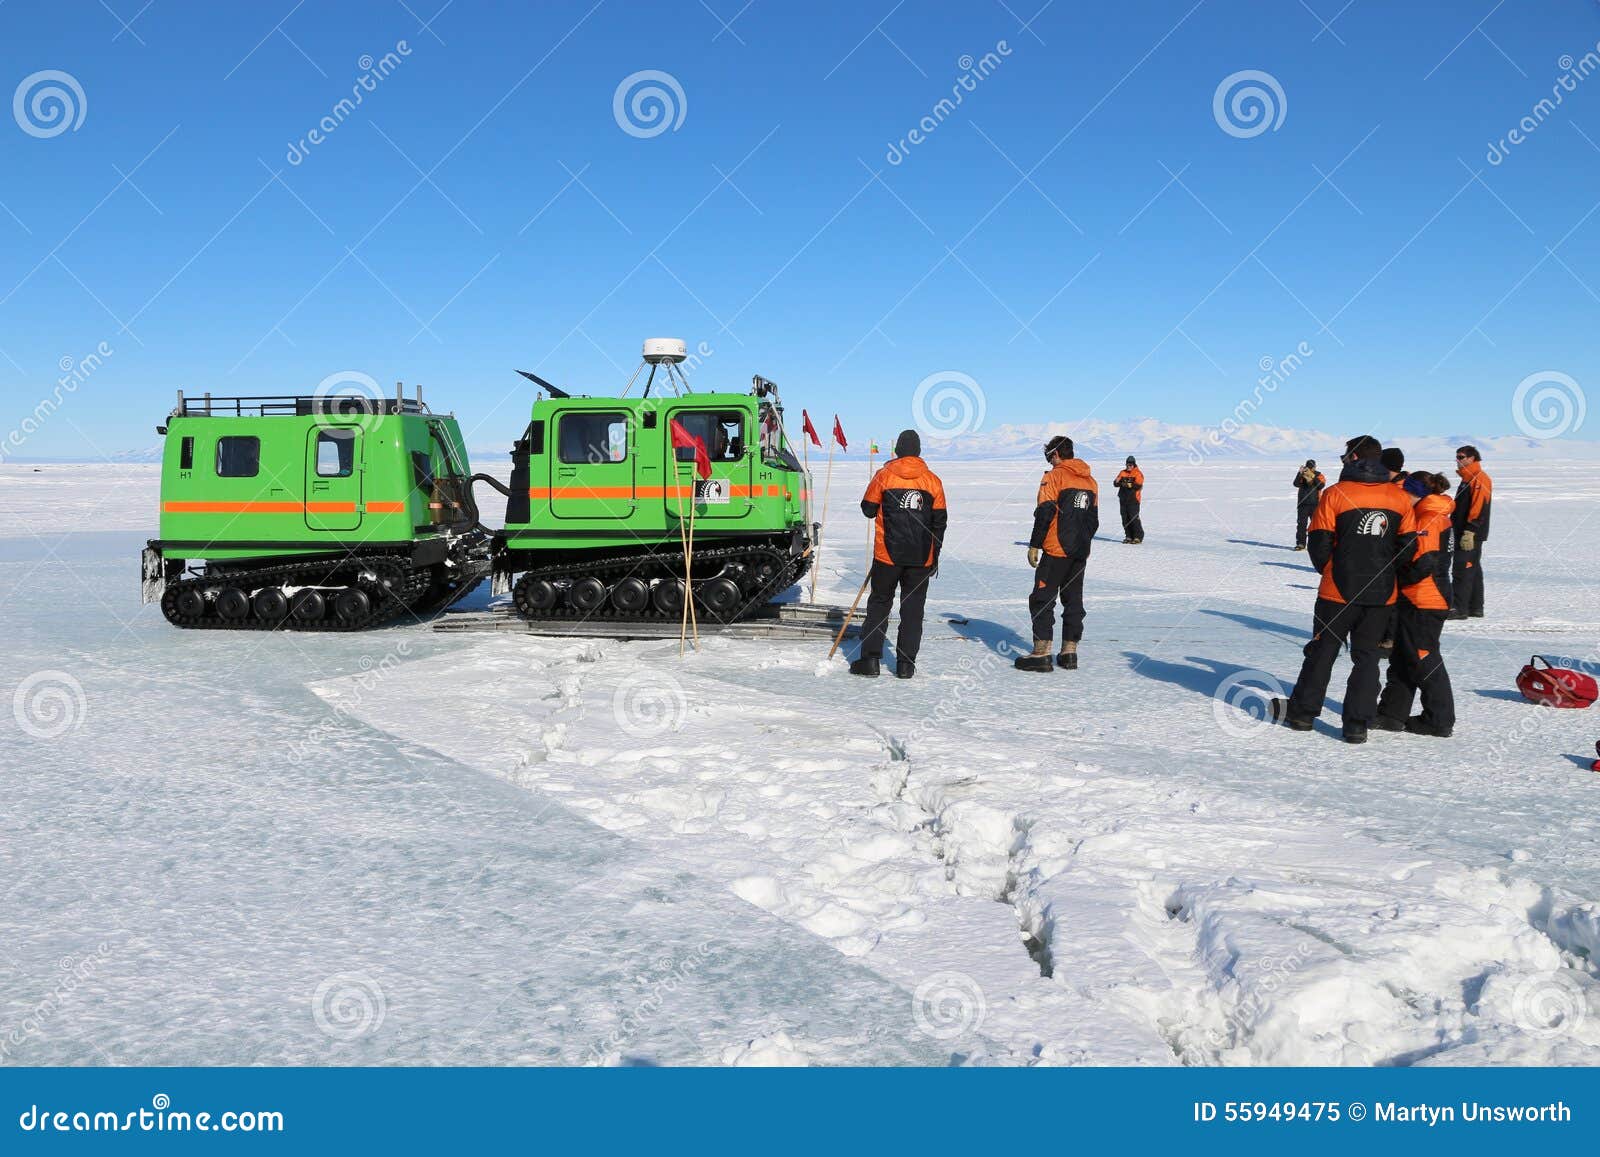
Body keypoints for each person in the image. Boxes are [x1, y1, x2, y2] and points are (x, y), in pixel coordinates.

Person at [1270, 435, 1417, 743]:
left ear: (1353, 459)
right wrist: (1385, 574)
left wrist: (1333, 571)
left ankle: (1302, 714)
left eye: (1343, 457)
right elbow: (1407, 547)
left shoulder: (1335, 494)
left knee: (1323, 652)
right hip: (1380, 595)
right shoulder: (1399, 498)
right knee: (1367, 658)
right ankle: (1356, 725)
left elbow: (1319, 543)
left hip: (1337, 593)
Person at [851, 429, 947, 679]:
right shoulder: (933, 481)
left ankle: (870, 660)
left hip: (887, 556)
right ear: (918, 452)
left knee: (880, 605)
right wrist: (934, 555)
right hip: (921, 558)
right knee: (913, 610)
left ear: (898, 451)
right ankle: (906, 666)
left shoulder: (884, 476)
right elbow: (940, 522)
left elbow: (868, 509)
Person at [1375, 472, 1456, 737]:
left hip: (1425, 598)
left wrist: (1396, 579)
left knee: (1423, 656)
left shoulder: (1427, 518)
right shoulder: (1433, 514)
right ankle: (1392, 714)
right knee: (1403, 656)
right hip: (1420, 597)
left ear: (1414, 493)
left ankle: (1439, 719)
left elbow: (1424, 562)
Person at [1016, 435, 1098, 672]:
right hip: (1080, 552)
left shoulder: (1054, 477)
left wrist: (1035, 544)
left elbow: (1045, 512)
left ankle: (1041, 654)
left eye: (1049, 455)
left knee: (1042, 599)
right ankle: (1069, 652)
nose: (1049, 460)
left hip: (1055, 549)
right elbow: (1093, 520)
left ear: (1056, 454)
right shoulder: (1091, 481)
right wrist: (1081, 542)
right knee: (1073, 600)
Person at [1449, 445, 1492, 620]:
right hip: (1462, 530)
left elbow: (1479, 507)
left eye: (1462, 456)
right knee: (1472, 568)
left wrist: (1470, 531)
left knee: (1462, 568)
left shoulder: (1480, 479)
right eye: (1457, 457)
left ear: (1473, 458)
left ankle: (1459, 609)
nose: (1458, 460)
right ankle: (1475, 607)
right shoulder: (1467, 479)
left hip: (1470, 533)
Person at [1292, 459, 1325, 550]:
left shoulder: (1319, 475)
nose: (1310, 469)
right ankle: (1301, 544)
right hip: (1303, 504)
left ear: (1315, 467)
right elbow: (1296, 484)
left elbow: (1321, 486)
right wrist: (1300, 473)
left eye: (1312, 467)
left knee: (1316, 525)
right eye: (1309, 467)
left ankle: (1317, 545)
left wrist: (1313, 476)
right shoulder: (1302, 475)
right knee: (1301, 525)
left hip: (1315, 504)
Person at [1113, 455, 1145, 543]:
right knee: (1125, 518)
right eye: (1127, 464)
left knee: (1133, 518)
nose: (1129, 466)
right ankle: (1129, 536)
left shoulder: (1138, 473)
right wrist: (1124, 483)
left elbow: (1138, 485)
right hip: (1123, 499)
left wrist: (1126, 484)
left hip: (1133, 500)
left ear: (1134, 464)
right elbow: (1115, 483)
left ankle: (1138, 536)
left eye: (1131, 464)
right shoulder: (1122, 472)